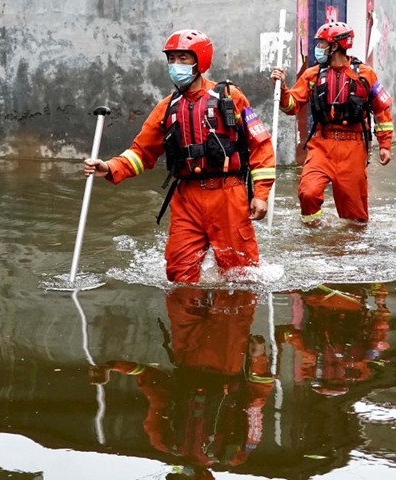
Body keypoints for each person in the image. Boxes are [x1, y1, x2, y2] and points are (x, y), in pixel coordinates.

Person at [84, 30, 276, 283]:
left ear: (200, 61)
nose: (176, 65)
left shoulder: (230, 98)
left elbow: (260, 144)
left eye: (183, 58)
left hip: (228, 196)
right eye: (171, 59)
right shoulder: (166, 108)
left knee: (241, 276)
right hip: (187, 199)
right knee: (178, 274)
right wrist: (109, 167)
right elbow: (142, 153)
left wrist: (260, 194)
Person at [89, 288, 275, 475]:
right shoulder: (233, 454)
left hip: (186, 353)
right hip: (225, 359)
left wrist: (113, 366)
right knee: (235, 290)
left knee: (182, 289)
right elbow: (255, 403)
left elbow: (154, 386)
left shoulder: (164, 442)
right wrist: (258, 360)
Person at [270, 22, 394, 226]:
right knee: (308, 192)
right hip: (322, 144)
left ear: (335, 46)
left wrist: (385, 145)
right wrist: (282, 88)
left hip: (353, 147)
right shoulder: (312, 75)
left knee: (355, 215)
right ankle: (314, 233)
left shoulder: (365, 75)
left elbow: (382, 110)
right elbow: (291, 106)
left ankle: (350, 244)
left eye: (322, 43)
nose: (318, 48)